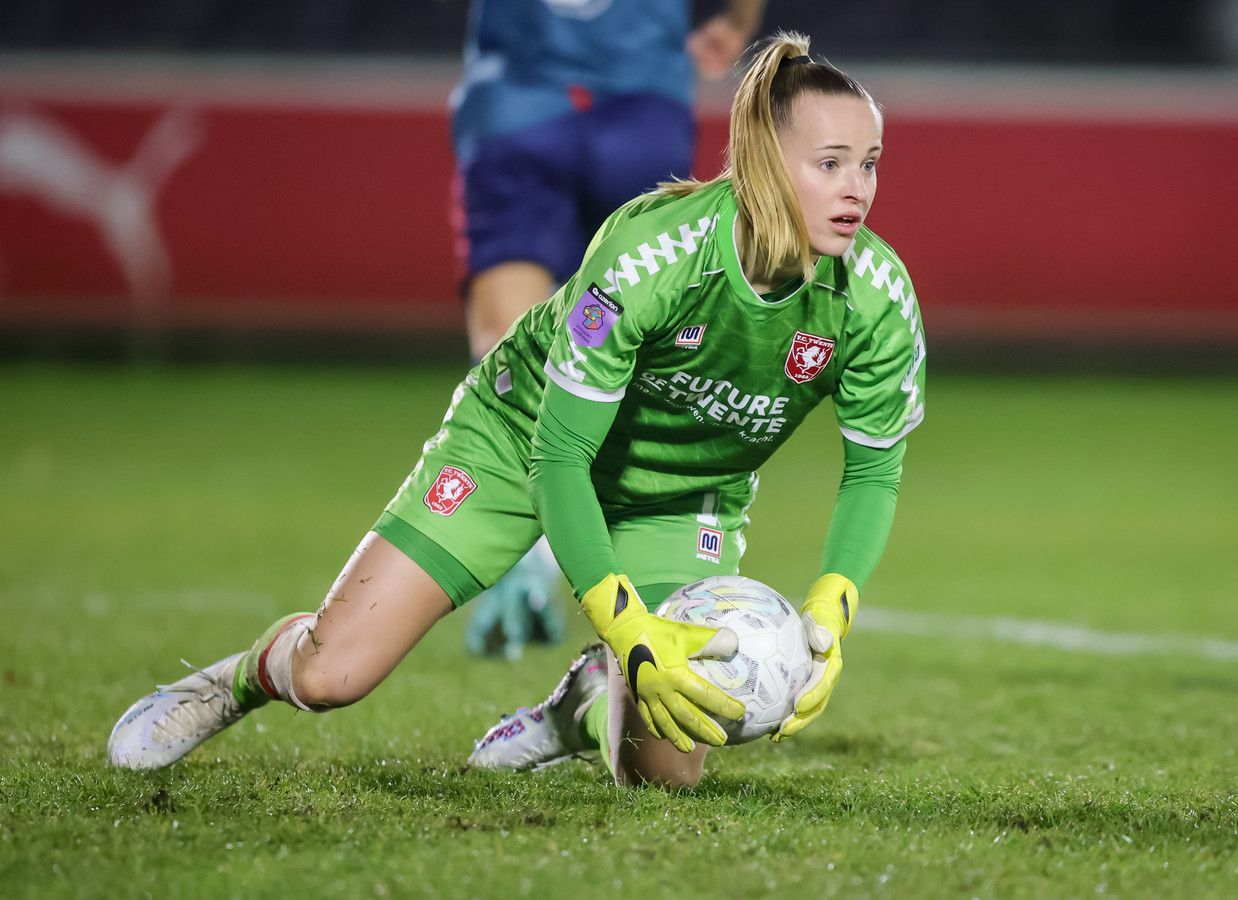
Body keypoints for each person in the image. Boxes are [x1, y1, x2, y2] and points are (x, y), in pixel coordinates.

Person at [106, 31, 926, 790]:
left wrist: (833, 601)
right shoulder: (654, 255)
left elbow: (875, 469)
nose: (856, 189)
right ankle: (233, 681)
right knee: (332, 677)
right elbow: (559, 460)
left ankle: (579, 704)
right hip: (518, 439)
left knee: (665, 773)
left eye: (870, 164)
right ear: (760, 162)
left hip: (681, 497)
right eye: (830, 163)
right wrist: (621, 617)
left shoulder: (876, 299)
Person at [451, 0, 768, 660]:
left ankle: (516, 555)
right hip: (643, 98)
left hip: (516, 94)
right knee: (641, 334)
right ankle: (649, 565)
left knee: (507, 343)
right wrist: (736, 21)